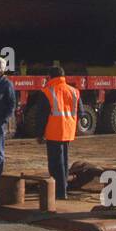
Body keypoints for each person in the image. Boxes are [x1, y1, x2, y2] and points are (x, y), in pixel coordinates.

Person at [35, 66, 79, 199]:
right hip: (68, 131)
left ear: (50, 77)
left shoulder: (47, 92)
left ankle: (59, 192)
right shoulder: (74, 91)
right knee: (64, 161)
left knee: (56, 163)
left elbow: (41, 116)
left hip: (54, 132)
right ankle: (63, 188)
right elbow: (80, 111)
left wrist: (39, 134)